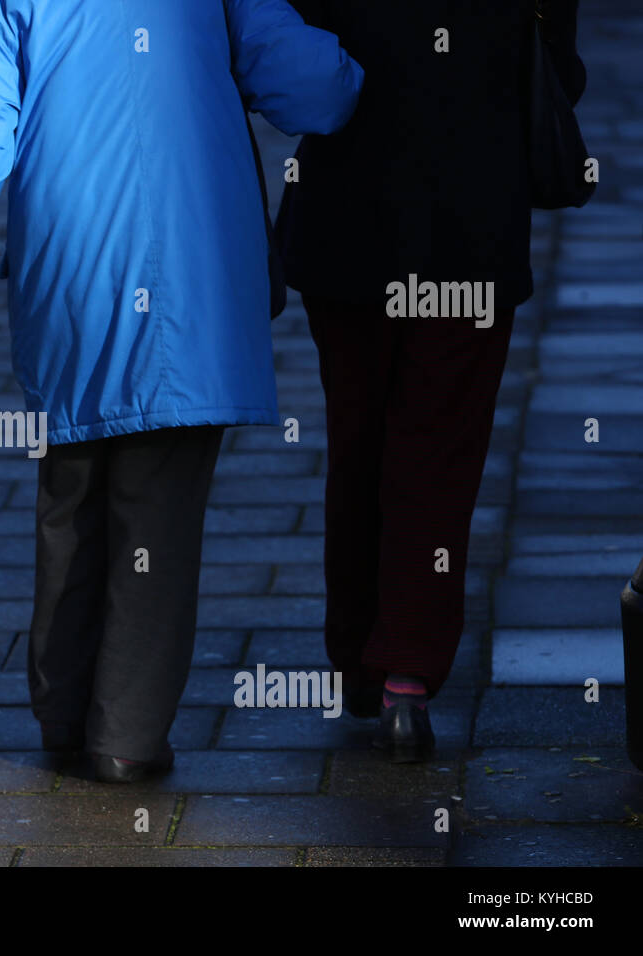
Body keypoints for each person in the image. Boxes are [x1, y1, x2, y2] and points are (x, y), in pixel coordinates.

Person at [0, 0, 363, 782]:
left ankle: (63, 715)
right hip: (193, 271)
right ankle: (124, 735)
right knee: (157, 501)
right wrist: (364, 68)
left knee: (71, 491)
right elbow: (311, 88)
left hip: (71, 266)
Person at [276, 1, 586, 761]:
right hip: (468, 233)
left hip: (348, 224)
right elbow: (560, 77)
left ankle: (356, 655)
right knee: (437, 455)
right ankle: (404, 674)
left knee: (358, 443)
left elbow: (288, 66)